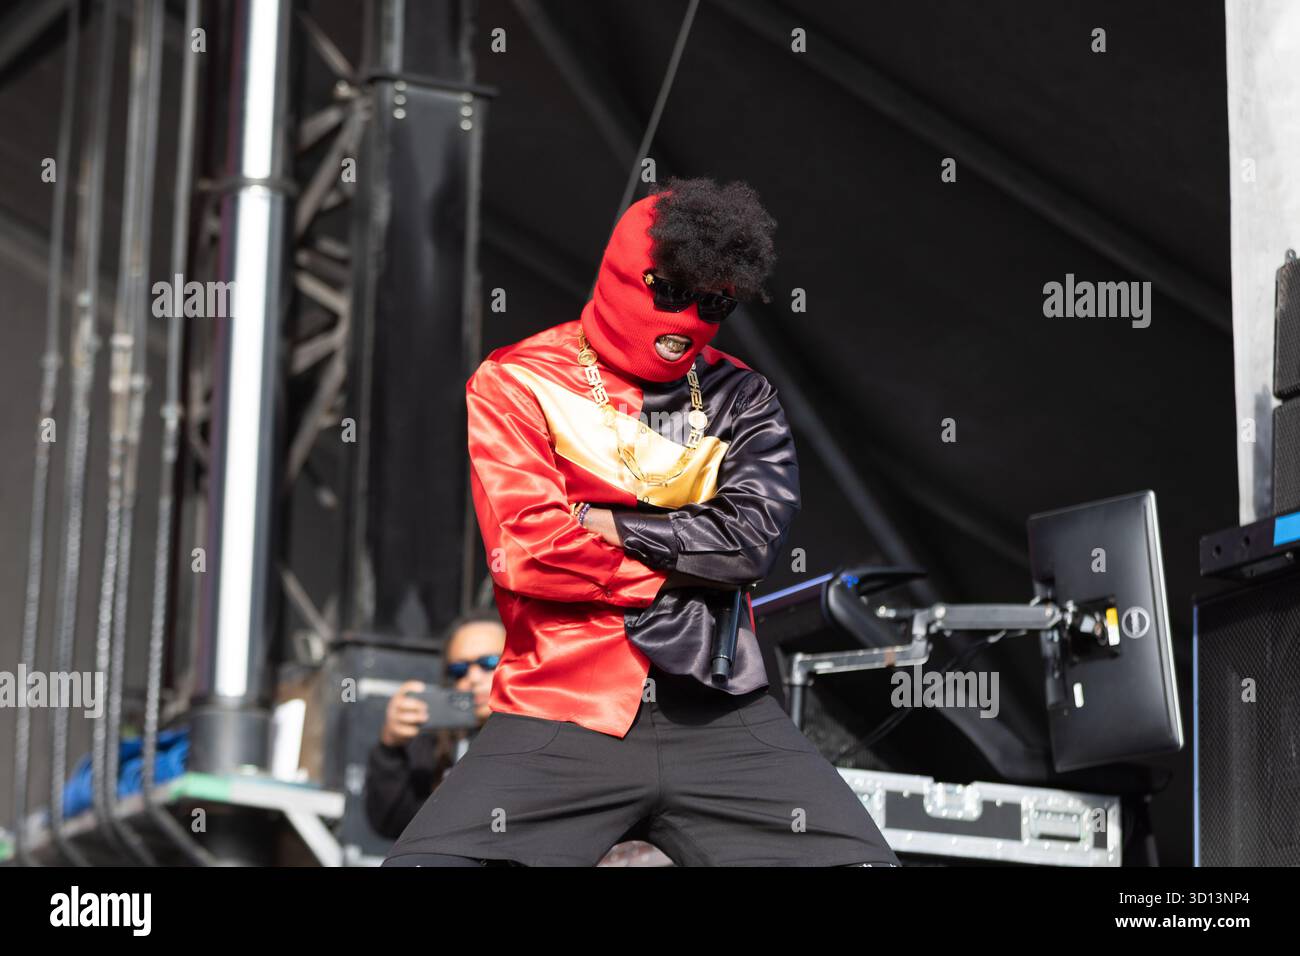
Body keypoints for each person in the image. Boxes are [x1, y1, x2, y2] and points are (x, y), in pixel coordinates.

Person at [382, 177, 899, 867]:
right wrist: (683, 574)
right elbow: (530, 549)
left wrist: (606, 524)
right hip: (563, 703)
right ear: (625, 273)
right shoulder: (516, 381)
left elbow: (748, 546)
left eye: (713, 302)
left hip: (718, 710)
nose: (688, 315)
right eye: (671, 291)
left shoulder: (742, 395)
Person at [364, 611, 505, 839]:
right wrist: (390, 747)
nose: (473, 677)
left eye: (489, 663)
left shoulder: (544, 736)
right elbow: (390, 822)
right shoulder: (437, 742)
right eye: (459, 670)